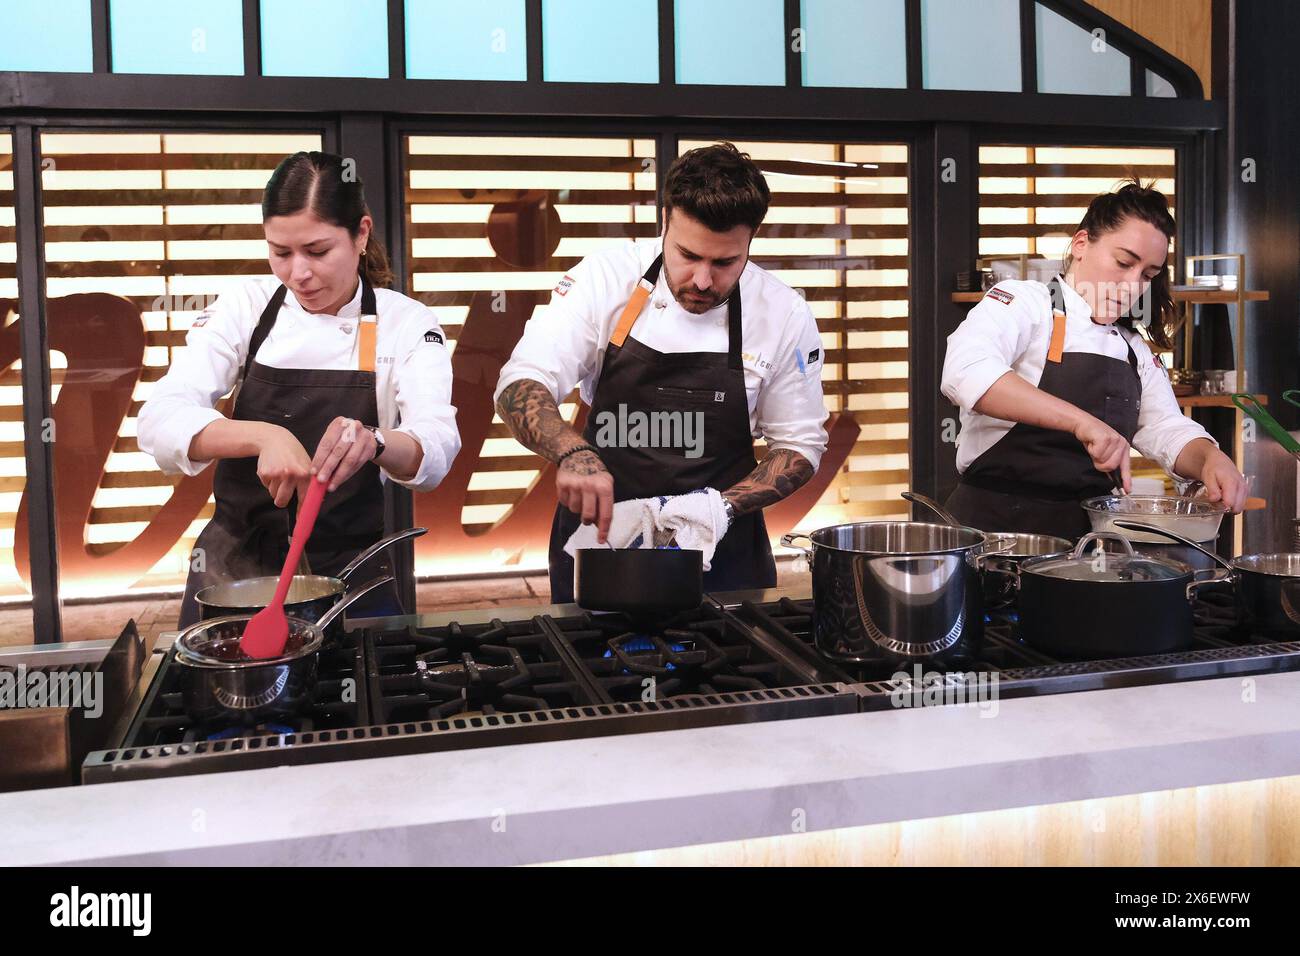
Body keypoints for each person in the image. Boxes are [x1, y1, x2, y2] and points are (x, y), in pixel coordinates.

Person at [494, 142, 829, 602]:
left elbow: (799, 447)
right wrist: (573, 454)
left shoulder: (784, 314)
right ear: (665, 219)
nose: (704, 281)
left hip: (723, 551)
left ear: (751, 240)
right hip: (604, 540)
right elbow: (521, 384)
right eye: (689, 255)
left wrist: (716, 509)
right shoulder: (603, 279)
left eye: (725, 262)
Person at [139, 151, 460, 627]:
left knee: (365, 693)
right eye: (280, 252)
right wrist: (264, 436)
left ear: (362, 233)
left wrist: (372, 440)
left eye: (317, 251)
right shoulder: (246, 306)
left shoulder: (405, 322)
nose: (297, 274)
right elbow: (159, 419)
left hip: (351, 565)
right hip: (236, 566)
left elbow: (434, 447)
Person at [940, 179, 1247, 540]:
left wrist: (1211, 458)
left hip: (1086, 544)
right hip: (991, 535)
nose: (1133, 285)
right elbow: (966, 371)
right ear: (1082, 243)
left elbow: (1167, 428)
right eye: (1123, 262)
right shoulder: (1024, 302)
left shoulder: (1134, 348)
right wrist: (1082, 423)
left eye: (1148, 275)